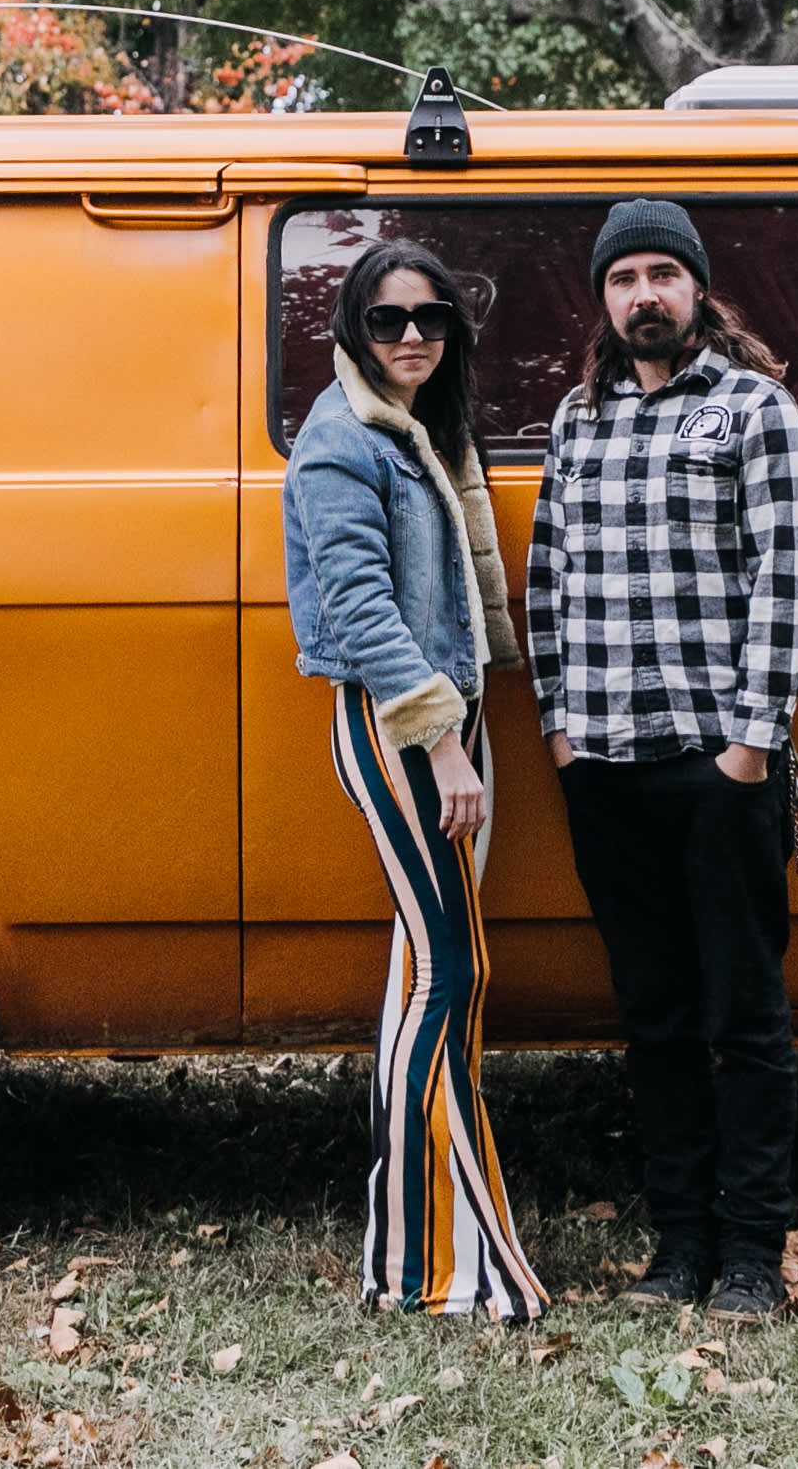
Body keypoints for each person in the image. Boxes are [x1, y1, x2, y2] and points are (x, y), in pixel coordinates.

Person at [525, 198, 798, 1318]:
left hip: (718, 765)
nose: (642, 294)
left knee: (743, 1016)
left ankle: (751, 1252)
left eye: (662, 273)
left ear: (697, 289)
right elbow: (546, 583)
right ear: (602, 298)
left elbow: (790, 583)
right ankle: (678, 1244)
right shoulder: (577, 418)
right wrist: (559, 729)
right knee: (652, 1014)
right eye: (622, 277)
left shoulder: (757, 413)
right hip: (602, 763)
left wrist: (751, 746)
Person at [282, 240, 549, 1321]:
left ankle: (412, 1260)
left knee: (422, 979)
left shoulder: (424, 426)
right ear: (352, 327)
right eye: (387, 321)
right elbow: (358, 605)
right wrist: (443, 745)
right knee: (451, 972)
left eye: (430, 321)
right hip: (404, 732)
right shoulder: (343, 435)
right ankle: (433, 1261)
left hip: (447, 721)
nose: (410, 340)